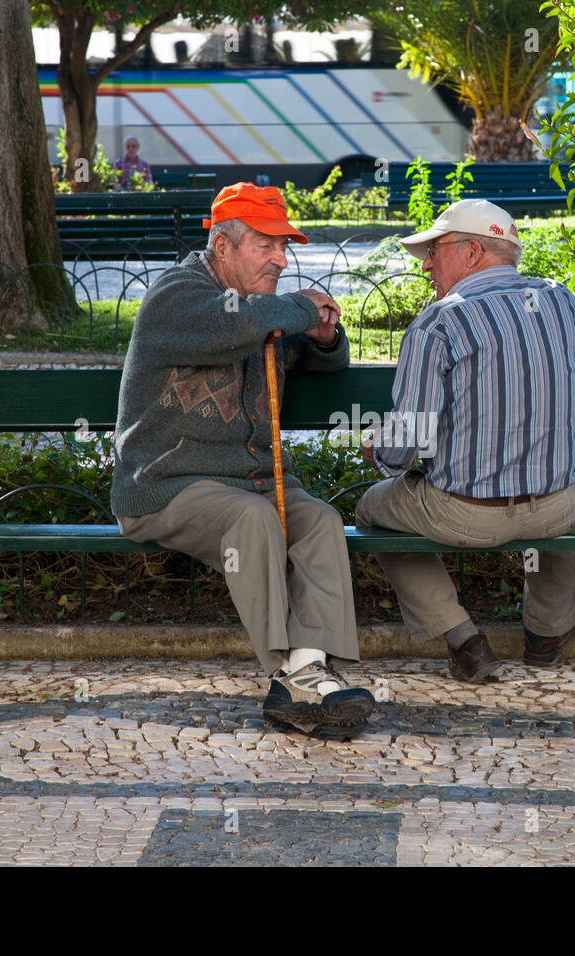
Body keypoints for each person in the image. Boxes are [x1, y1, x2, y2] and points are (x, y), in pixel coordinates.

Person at [112, 182, 376, 737]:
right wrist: (300, 307)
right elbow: (234, 323)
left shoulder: (264, 309)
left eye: (285, 246)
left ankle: (308, 667)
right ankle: (285, 674)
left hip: (249, 480)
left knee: (322, 521)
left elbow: (322, 358)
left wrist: (325, 336)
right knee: (252, 519)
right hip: (166, 484)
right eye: (266, 245)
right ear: (224, 245)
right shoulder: (177, 295)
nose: (281, 258)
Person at [354, 199, 575, 682]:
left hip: (464, 516)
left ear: (471, 252)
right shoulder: (555, 300)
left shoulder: (438, 323)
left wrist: (377, 450)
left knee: (370, 511)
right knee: (561, 492)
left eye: (434, 250)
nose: (425, 263)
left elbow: (411, 440)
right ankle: (547, 635)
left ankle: (464, 640)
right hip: (555, 510)